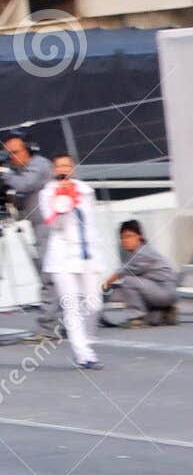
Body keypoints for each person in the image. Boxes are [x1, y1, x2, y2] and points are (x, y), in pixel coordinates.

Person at [38, 154, 104, 370]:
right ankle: (84, 353)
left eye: (67, 165)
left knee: (94, 304)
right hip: (62, 257)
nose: (63, 169)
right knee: (72, 306)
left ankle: (87, 341)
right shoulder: (47, 193)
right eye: (59, 166)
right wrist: (62, 201)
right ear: (54, 169)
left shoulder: (86, 191)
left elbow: (92, 222)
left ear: (73, 168)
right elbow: (54, 223)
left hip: (87, 255)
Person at [1, 132, 58, 338]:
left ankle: (48, 328)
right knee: (52, 277)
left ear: (29, 149)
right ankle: (56, 323)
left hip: (49, 228)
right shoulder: (20, 171)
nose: (12, 158)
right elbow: (21, 199)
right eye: (8, 154)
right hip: (40, 228)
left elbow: (25, 184)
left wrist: (4, 173)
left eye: (15, 153)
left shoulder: (39, 165)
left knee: (49, 276)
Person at [103, 220, 179, 328]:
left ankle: (136, 319)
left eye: (129, 236)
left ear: (139, 236)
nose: (125, 240)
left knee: (128, 281)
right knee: (153, 320)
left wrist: (105, 284)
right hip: (161, 291)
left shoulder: (142, 253)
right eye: (122, 237)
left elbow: (123, 271)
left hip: (164, 291)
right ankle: (166, 311)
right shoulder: (141, 251)